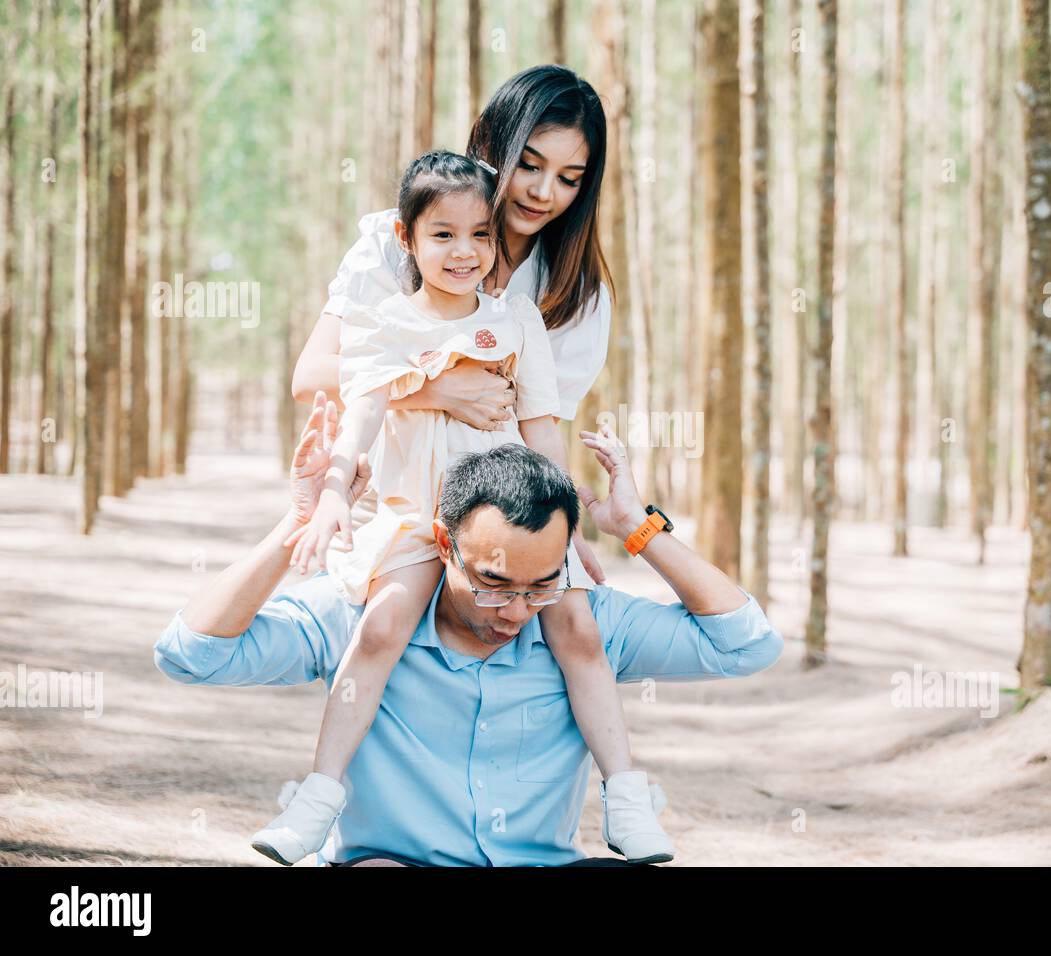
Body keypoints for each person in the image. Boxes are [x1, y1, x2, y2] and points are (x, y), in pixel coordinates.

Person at [248, 149, 670, 867]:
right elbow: (357, 425)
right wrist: (327, 500)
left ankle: (627, 800)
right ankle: (316, 803)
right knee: (380, 631)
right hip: (418, 520)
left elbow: (541, 431)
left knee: (577, 627)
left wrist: (562, 529)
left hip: (509, 521)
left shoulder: (516, 325)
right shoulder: (381, 325)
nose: (465, 250)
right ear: (405, 240)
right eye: (442, 234)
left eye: (481, 235)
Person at [153, 404, 784, 866]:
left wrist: (640, 530)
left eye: (541, 585)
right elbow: (193, 656)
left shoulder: (586, 626)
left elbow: (746, 644)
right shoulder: (363, 616)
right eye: (493, 583)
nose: (516, 610)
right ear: (444, 543)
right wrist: (295, 522)